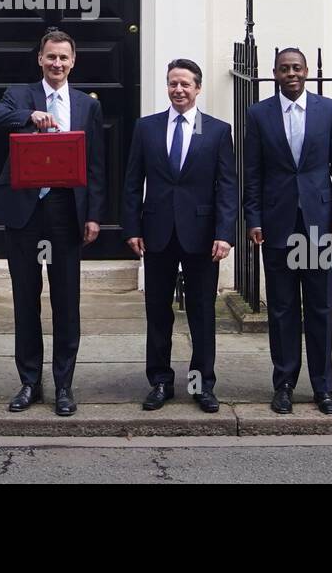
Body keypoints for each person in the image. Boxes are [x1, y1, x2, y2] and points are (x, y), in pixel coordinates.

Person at [0, 28, 106, 417]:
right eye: (50, 57)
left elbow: (97, 164)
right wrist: (27, 116)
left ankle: (64, 385)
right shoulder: (19, 95)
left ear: (73, 61)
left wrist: (95, 216)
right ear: (40, 59)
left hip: (67, 211)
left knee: (66, 302)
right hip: (25, 211)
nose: (56, 64)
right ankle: (29, 382)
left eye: (63, 58)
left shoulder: (87, 104)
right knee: (25, 299)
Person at [123, 58, 236, 413]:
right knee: (158, 311)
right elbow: (131, 183)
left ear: (198, 88)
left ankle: (201, 384)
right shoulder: (147, 128)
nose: (179, 89)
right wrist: (132, 228)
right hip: (156, 233)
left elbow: (227, 187)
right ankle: (160, 382)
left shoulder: (216, 131)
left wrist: (225, 233)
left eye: (185, 84)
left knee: (202, 313)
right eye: (173, 83)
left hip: (202, 236)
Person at [243, 47, 332, 415]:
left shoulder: (328, 110)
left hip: (319, 226)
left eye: (297, 68)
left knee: (320, 308)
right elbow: (253, 172)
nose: (291, 73)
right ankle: (284, 384)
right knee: (282, 309)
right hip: (276, 225)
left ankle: (323, 387)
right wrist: (253, 218)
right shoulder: (259, 114)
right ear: (275, 73)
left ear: (306, 72)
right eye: (284, 68)